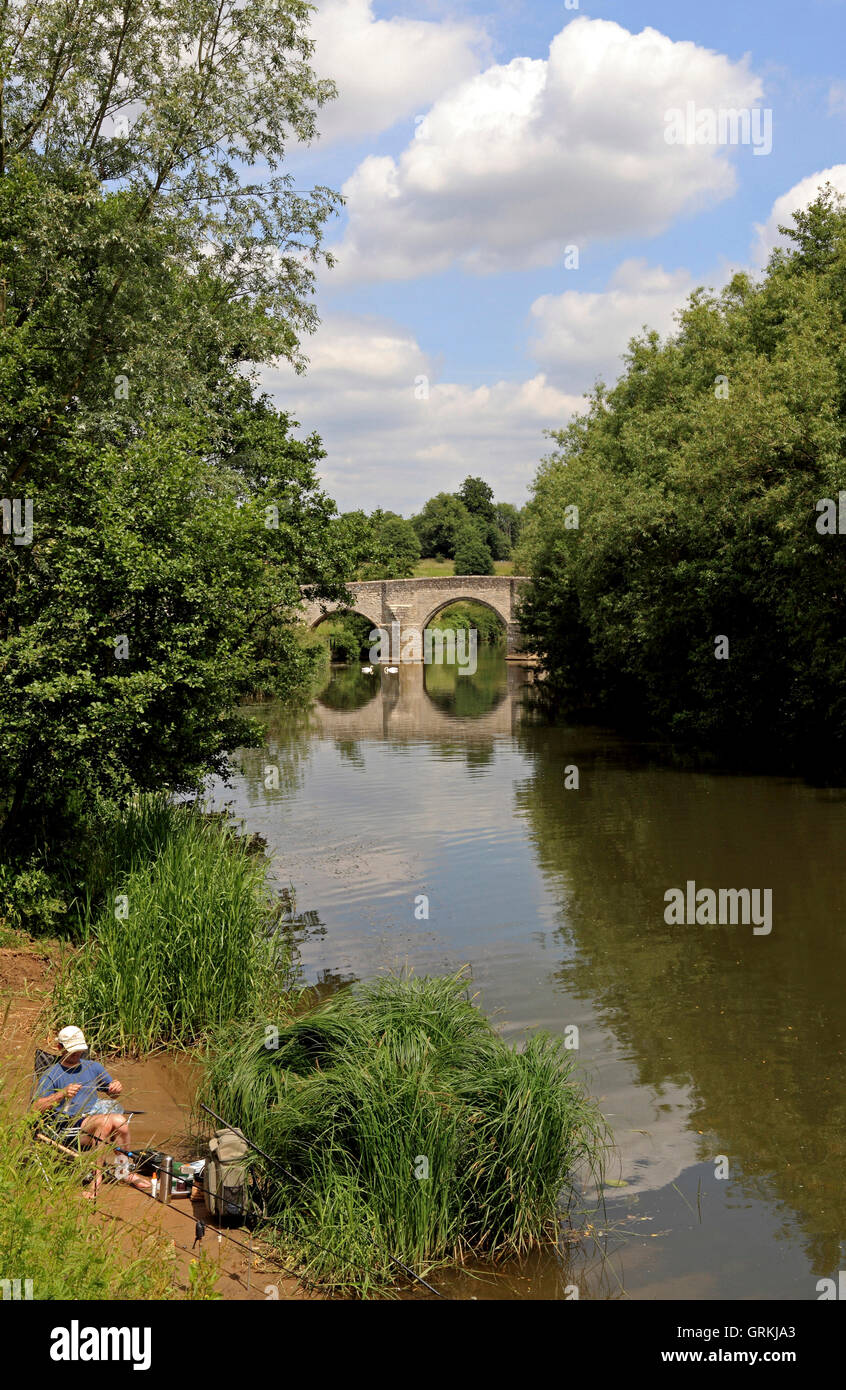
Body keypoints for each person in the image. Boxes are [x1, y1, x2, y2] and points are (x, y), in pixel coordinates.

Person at [32, 1025, 133, 1198]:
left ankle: (123, 1171)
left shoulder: (93, 1067)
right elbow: (35, 1107)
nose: (77, 1054)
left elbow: (112, 1093)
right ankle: (97, 1179)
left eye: (79, 1050)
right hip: (68, 1130)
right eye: (72, 1050)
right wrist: (61, 1094)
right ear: (60, 1048)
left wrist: (116, 1088)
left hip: (93, 1120)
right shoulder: (51, 1074)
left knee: (120, 1122)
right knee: (105, 1121)